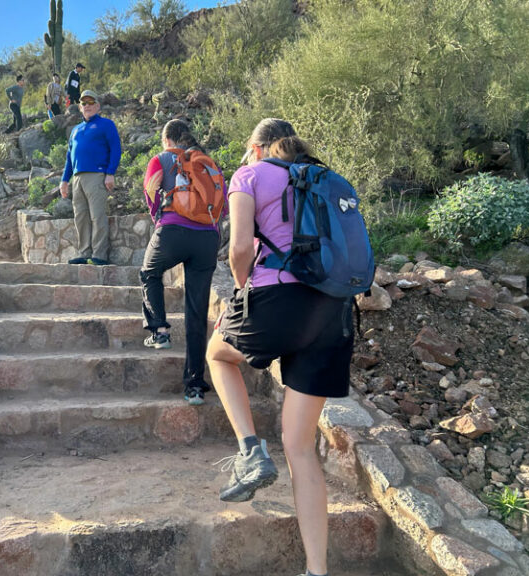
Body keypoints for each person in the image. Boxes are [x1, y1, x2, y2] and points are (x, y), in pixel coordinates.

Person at [205, 118, 353, 576]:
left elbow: (238, 250)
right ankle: (316, 570)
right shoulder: (326, 178)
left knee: (216, 354)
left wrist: (243, 289)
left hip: (277, 298)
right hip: (335, 310)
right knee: (300, 446)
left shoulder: (249, 173)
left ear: (256, 147)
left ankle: (250, 450)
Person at [140, 119, 226, 406]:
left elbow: (151, 191)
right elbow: (221, 204)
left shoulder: (162, 159)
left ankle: (160, 330)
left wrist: (159, 219)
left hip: (173, 232)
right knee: (197, 310)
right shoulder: (208, 163)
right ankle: (194, 387)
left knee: (149, 272)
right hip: (207, 239)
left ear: (167, 140)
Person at [59, 90, 121, 266]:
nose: (87, 106)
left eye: (90, 102)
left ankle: (99, 255)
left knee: (97, 215)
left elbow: (115, 149)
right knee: (81, 216)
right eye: (84, 103)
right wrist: (64, 180)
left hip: (97, 175)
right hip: (77, 178)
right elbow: (69, 157)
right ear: (80, 107)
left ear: (97, 106)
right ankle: (84, 252)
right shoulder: (75, 130)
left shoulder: (106, 125)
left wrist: (110, 173)